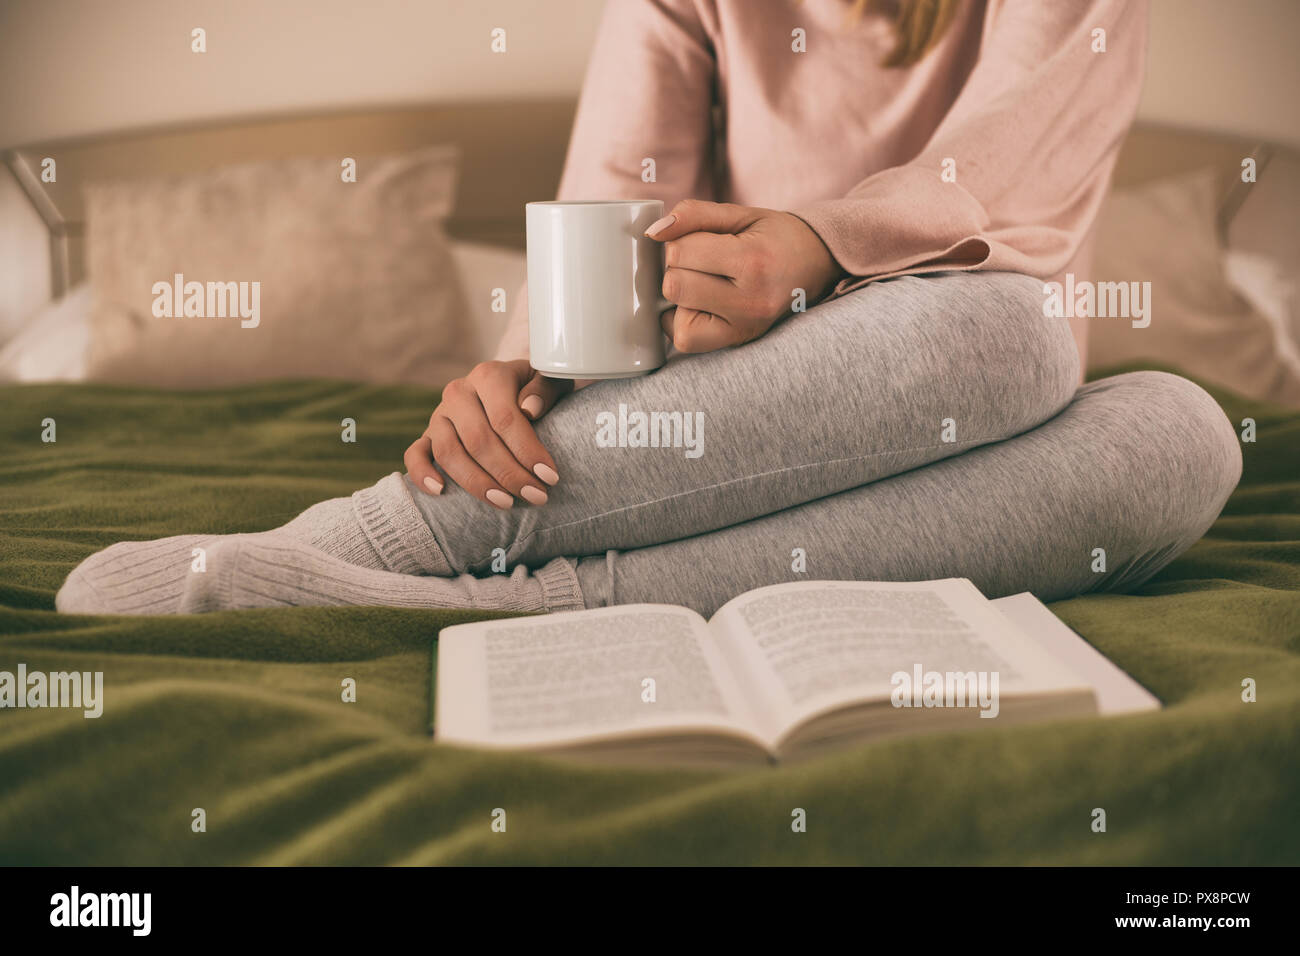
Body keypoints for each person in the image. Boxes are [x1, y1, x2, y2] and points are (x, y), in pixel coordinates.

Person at [57, 0, 1241, 619]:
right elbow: (610, 211)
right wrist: (512, 382)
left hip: (973, 389)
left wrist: (815, 245)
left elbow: (998, 178)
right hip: (744, 400)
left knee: (1169, 426)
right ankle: (379, 543)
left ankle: (447, 600)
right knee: (1017, 332)